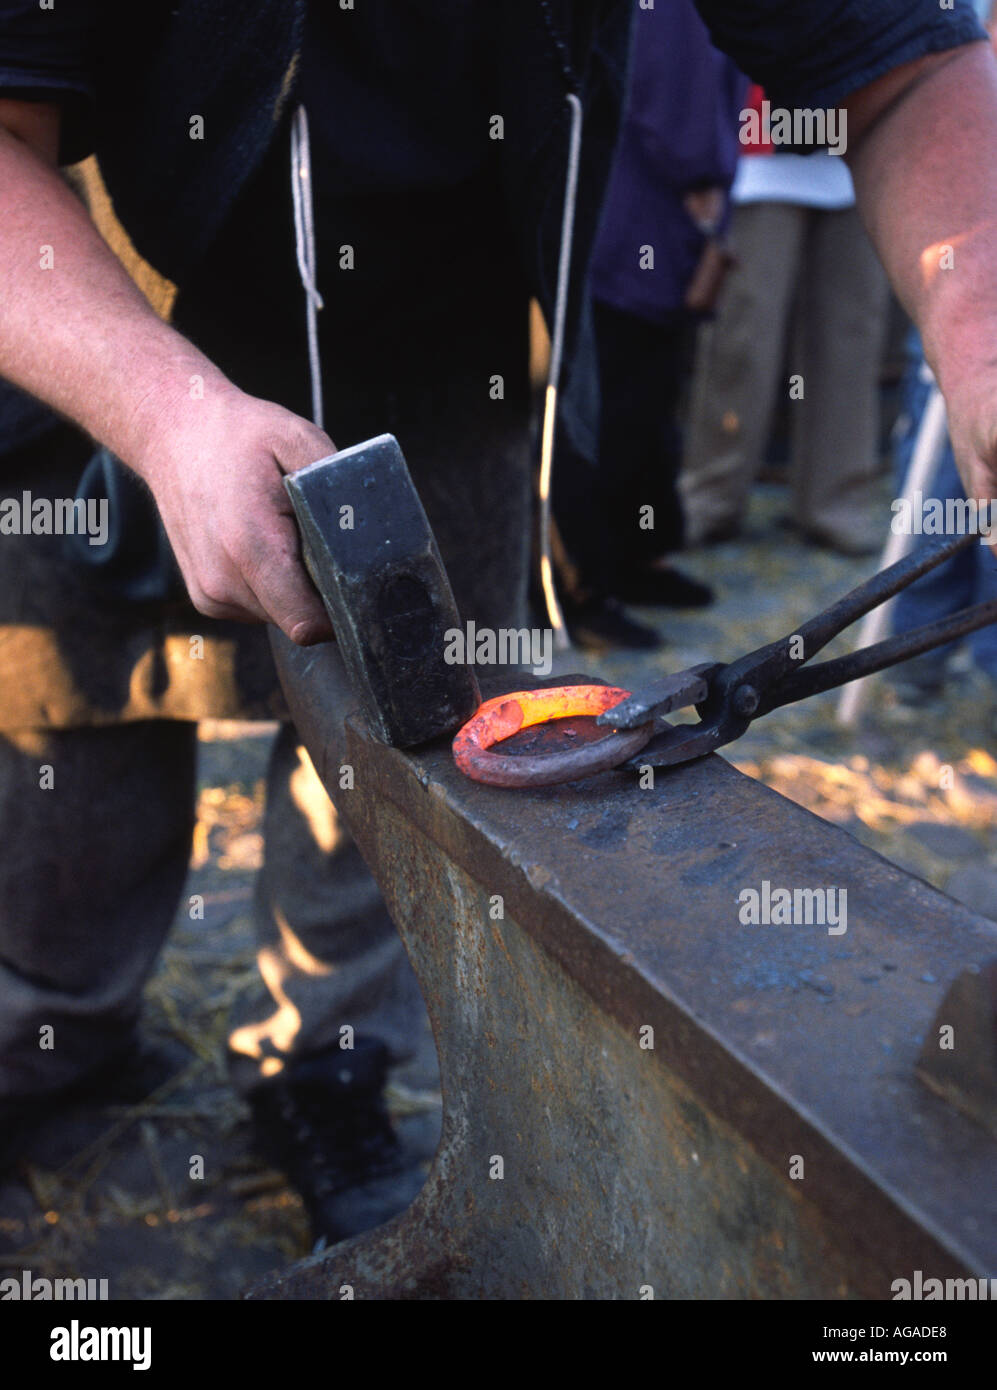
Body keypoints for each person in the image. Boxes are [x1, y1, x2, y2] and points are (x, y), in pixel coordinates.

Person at [1, 2, 995, 1250]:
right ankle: (61, 1029)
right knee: (68, 770)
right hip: (95, 330)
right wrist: (161, 411)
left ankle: (328, 1069)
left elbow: (902, 69)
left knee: (399, 766)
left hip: (449, 361)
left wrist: (981, 335)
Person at [679, 83, 891, 555]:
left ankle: (836, 499)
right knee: (744, 337)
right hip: (761, 150)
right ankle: (712, 494)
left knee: (851, 337)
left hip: (863, 143)